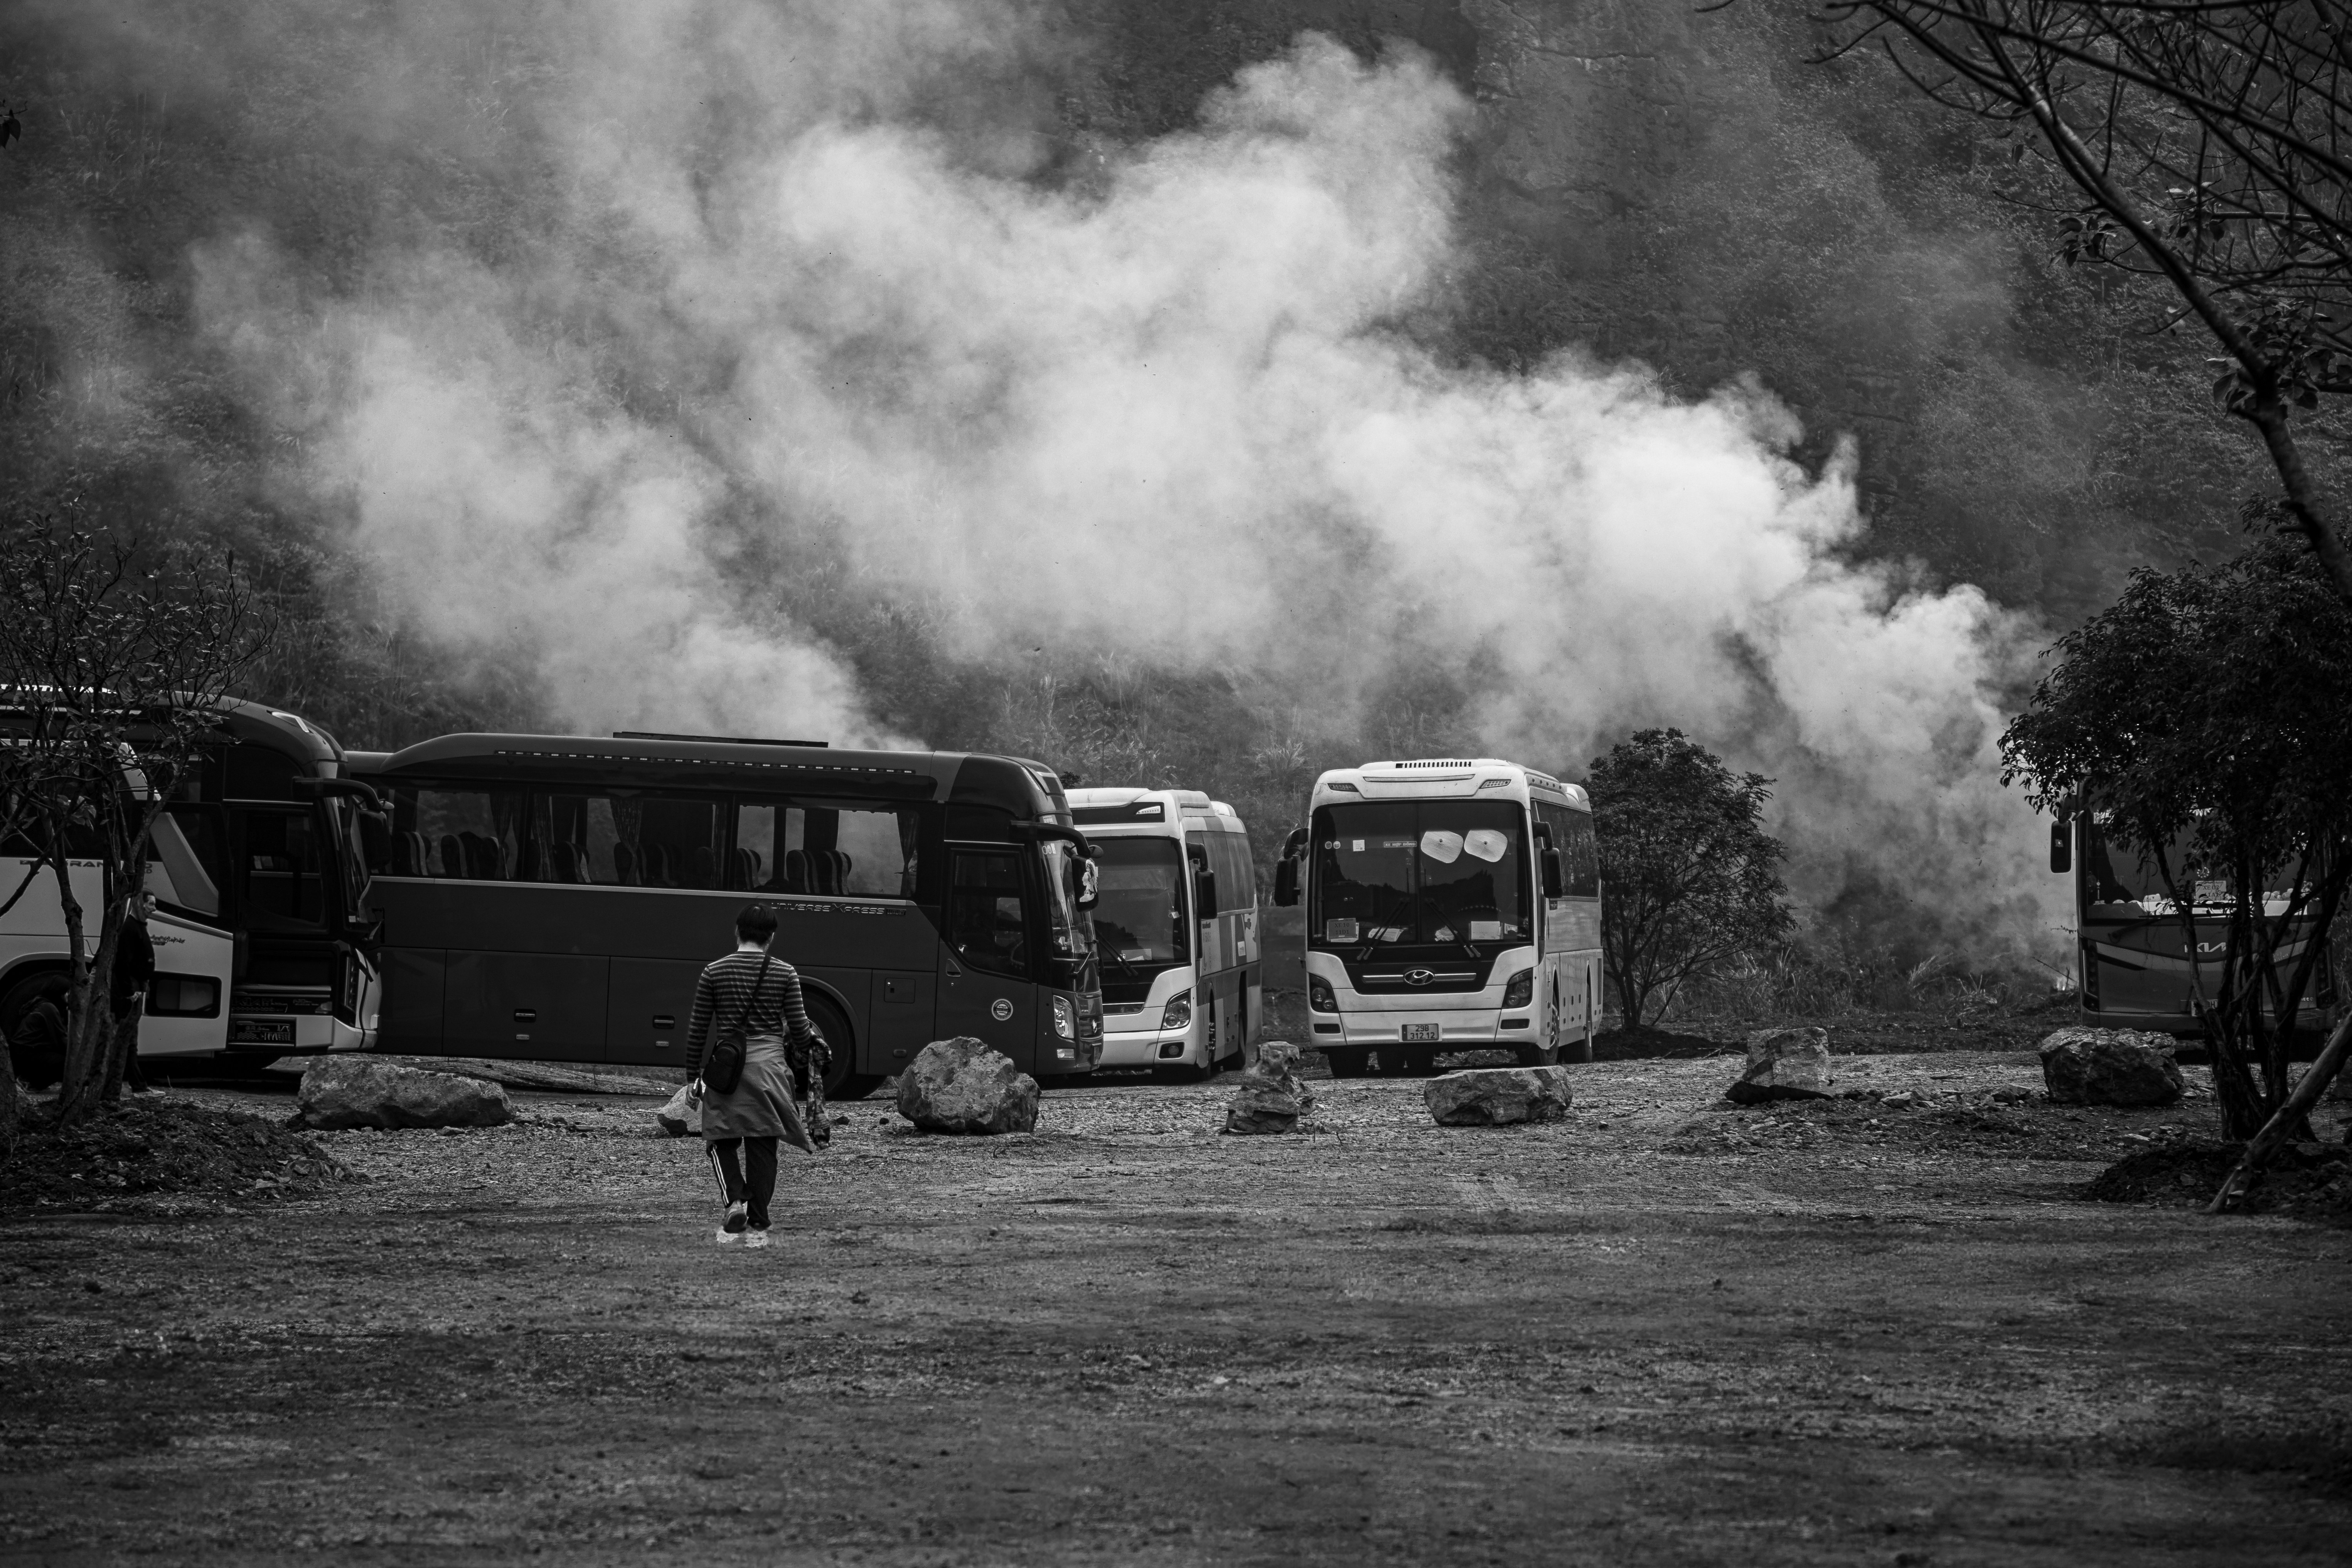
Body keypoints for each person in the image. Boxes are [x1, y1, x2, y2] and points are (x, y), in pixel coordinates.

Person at [684, 903, 816, 1247]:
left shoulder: (713, 971)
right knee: (764, 1145)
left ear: (737, 931)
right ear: (771, 937)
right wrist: (815, 1047)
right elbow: (800, 1031)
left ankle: (734, 1201)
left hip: (727, 1070)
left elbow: (698, 1029)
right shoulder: (786, 973)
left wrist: (692, 1076)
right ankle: (758, 1215)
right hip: (769, 1071)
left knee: (719, 1140)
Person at [110, 891, 159, 1098]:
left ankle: (136, 1085)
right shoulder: (131, 928)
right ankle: (136, 1086)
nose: (154, 909)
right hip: (133, 990)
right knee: (128, 1039)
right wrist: (129, 992)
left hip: (136, 987)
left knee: (129, 1039)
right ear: (140, 904)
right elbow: (123, 962)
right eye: (151, 904)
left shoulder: (137, 926)